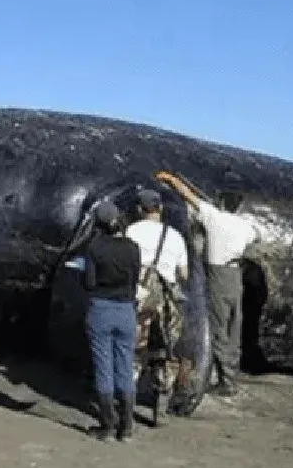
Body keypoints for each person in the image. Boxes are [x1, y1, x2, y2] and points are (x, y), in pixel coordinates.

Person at [155, 170, 260, 397]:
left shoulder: (214, 217)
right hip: (236, 277)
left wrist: (171, 180)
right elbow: (255, 236)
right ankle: (231, 373)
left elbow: (189, 196)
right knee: (234, 325)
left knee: (219, 325)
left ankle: (225, 382)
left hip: (219, 275)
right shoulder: (245, 226)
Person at [80, 201, 142, 442]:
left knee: (103, 368)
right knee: (125, 366)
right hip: (126, 309)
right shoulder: (133, 248)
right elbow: (135, 279)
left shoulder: (95, 247)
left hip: (101, 309)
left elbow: (89, 283)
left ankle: (107, 425)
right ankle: (127, 426)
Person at [124, 188, 190, 416]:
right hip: (167, 302)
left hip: (140, 299)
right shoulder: (175, 236)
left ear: (140, 210)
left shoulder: (132, 231)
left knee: (134, 350)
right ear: (160, 208)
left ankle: (127, 401)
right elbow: (184, 273)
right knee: (165, 351)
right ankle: (160, 404)